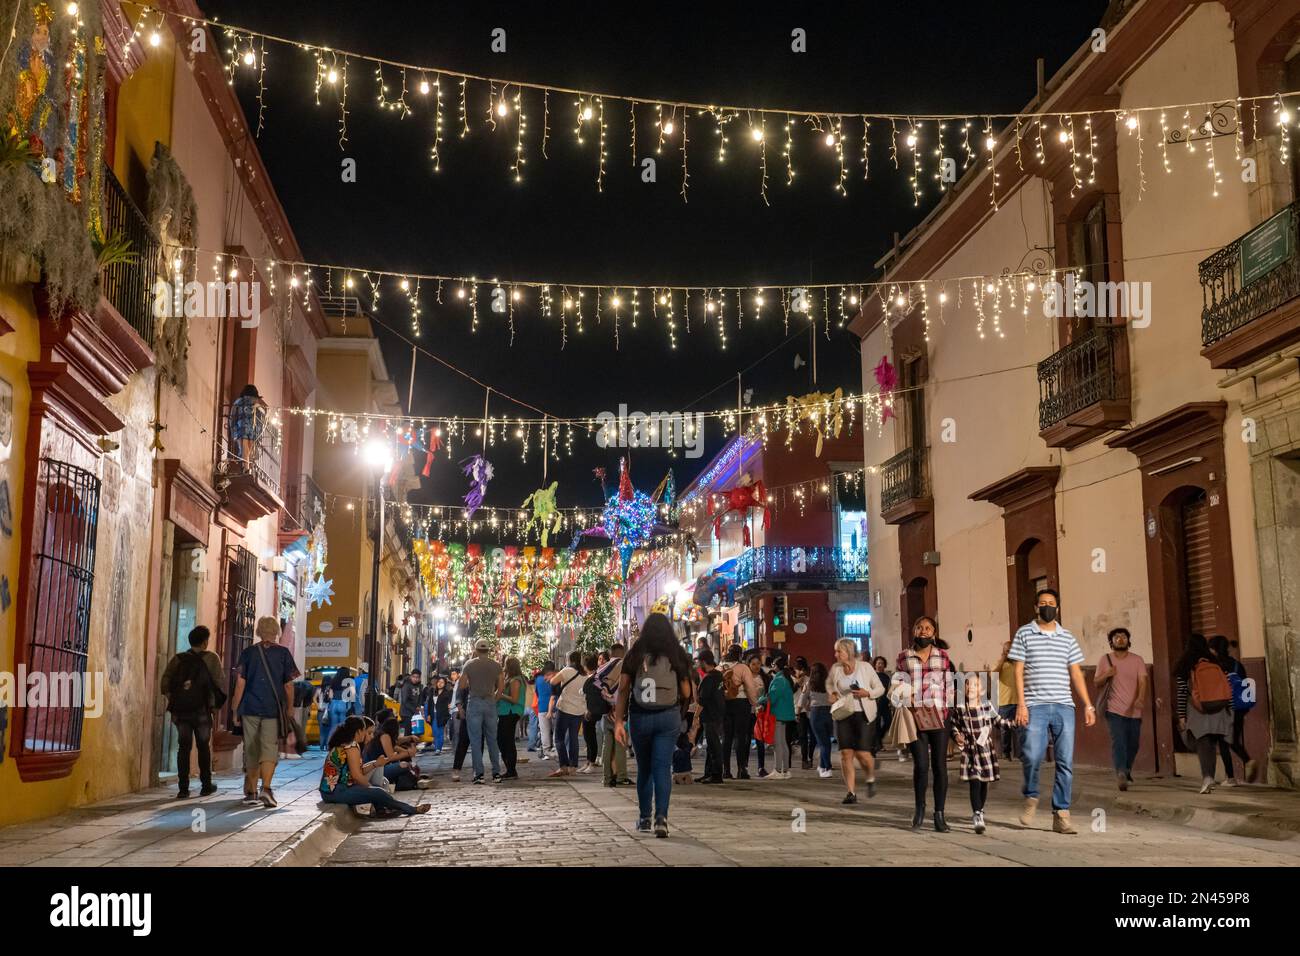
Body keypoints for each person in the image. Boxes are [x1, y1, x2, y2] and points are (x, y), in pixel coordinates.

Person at [1009, 589, 1095, 834]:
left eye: (1052, 604)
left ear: (1057, 608)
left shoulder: (1067, 637)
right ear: (1036, 607)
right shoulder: (1024, 633)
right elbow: (1018, 671)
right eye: (1043, 603)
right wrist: (1021, 704)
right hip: (1034, 705)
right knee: (1032, 756)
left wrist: (1088, 704)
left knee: (1065, 762)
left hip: (1064, 706)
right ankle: (1032, 796)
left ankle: (1061, 814)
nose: (1047, 607)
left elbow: (1076, 673)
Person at [613, 613, 696, 837]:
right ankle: (662, 818)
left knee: (645, 769)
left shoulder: (635, 654)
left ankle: (644, 818)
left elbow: (622, 689)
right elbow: (687, 692)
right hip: (668, 717)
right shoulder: (676, 654)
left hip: (640, 716)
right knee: (662, 768)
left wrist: (619, 721)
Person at [230, 617, 300, 808]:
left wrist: (235, 708)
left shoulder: (249, 653)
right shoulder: (283, 654)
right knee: (269, 748)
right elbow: (288, 684)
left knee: (251, 748)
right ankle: (266, 789)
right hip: (272, 709)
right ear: (276, 631)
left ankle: (251, 793)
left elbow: (240, 684)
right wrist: (290, 708)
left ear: (259, 631)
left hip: (250, 708)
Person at [891, 617, 954, 831]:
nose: (924, 631)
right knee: (921, 765)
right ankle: (920, 808)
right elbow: (897, 684)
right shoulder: (904, 657)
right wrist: (902, 696)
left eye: (928, 628)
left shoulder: (943, 656)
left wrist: (950, 715)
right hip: (915, 716)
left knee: (940, 766)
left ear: (934, 632)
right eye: (920, 627)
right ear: (914, 631)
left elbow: (949, 687)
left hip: (939, 716)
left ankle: (939, 814)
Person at [160, 625, 225, 798]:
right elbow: (219, 684)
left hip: (181, 712)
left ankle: (183, 788)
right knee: (203, 747)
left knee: (183, 747)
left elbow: (165, 683)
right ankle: (206, 785)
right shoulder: (212, 659)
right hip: (202, 711)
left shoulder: (178, 659)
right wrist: (214, 707)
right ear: (205, 642)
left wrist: (175, 698)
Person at [949, 673, 1019, 834]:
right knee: (975, 781)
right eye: (968, 684)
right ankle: (977, 814)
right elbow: (954, 725)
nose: (970, 687)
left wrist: (1015, 723)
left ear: (981, 691)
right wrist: (956, 735)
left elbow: (999, 722)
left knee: (983, 782)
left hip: (986, 751)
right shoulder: (960, 708)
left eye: (975, 685)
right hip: (970, 750)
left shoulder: (987, 707)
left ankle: (980, 808)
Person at [320, 717, 430, 818]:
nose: (366, 735)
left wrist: (375, 764)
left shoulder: (348, 744)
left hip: (334, 790)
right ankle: (411, 809)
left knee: (377, 792)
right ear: (358, 731)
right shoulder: (351, 747)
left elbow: (359, 770)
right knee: (378, 793)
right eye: (364, 731)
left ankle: (384, 809)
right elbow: (357, 776)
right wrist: (371, 788)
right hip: (335, 791)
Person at [1176, 633, 1234, 794]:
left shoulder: (1185, 665)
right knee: (1209, 743)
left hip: (1197, 710)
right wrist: (1230, 709)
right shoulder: (1217, 662)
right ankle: (1208, 777)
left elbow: (1182, 692)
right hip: (1219, 709)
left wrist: (1181, 715)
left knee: (1201, 743)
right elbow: (1228, 687)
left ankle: (1208, 778)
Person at [829, 638, 884, 805]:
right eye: (836, 651)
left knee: (862, 753)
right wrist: (832, 695)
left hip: (863, 714)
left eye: (839, 651)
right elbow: (832, 687)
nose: (836, 654)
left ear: (849, 652)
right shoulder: (836, 669)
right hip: (844, 714)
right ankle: (851, 792)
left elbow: (880, 688)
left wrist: (867, 693)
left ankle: (870, 777)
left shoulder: (866, 667)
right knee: (846, 753)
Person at [1094, 627, 1148, 790]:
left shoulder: (1137, 660)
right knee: (1119, 741)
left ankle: (1126, 769)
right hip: (1113, 709)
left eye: (1123, 637)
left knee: (1133, 744)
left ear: (1128, 640)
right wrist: (1107, 674)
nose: (1120, 639)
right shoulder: (1105, 659)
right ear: (1111, 642)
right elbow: (1097, 682)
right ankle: (1121, 774)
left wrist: (1140, 698)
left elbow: (1143, 681)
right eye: (1116, 637)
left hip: (1134, 710)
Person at [1208, 635, 1254, 785]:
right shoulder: (1237, 665)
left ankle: (1231, 776)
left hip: (1225, 708)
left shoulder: (1215, 666)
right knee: (1233, 739)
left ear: (1214, 649)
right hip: (1240, 708)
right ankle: (1247, 761)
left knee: (1223, 743)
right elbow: (1245, 684)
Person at [462, 639, 505, 784]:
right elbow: (501, 686)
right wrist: (495, 699)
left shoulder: (469, 664)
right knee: (493, 739)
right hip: (489, 702)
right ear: (488, 650)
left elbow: (462, 684)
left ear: (476, 649)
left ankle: (479, 774)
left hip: (474, 702)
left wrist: (471, 682)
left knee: (475, 740)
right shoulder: (496, 665)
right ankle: (496, 773)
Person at [720, 646, 761, 779]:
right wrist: (755, 704)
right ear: (739, 655)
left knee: (726, 737)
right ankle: (741, 769)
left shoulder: (720, 667)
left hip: (725, 704)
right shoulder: (743, 668)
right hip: (741, 704)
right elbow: (750, 687)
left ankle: (725, 770)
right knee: (740, 737)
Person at [595, 644, 631, 786]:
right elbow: (624, 689)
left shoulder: (603, 668)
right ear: (622, 653)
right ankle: (621, 777)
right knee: (620, 744)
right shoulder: (623, 665)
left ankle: (607, 777)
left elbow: (598, 686)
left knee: (607, 744)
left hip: (606, 710)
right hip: (619, 711)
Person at [548, 651, 589, 777]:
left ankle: (563, 766)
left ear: (569, 660)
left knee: (559, 738)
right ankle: (573, 767)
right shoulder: (584, 675)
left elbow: (553, 682)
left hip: (565, 708)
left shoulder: (566, 671)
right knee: (573, 738)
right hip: (579, 711)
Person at [365, 710, 427, 792]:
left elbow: (396, 746)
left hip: (381, 768)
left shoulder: (386, 736)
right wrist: (408, 753)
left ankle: (412, 780)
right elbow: (391, 756)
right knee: (405, 765)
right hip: (377, 770)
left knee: (410, 766)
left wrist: (408, 751)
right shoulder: (384, 736)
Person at [688, 648, 725, 783]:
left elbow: (701, 701)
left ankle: (716, 775)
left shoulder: (709, 678)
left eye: (699, 662)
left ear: (704, 662)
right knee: (711, 745)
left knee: (714, 745)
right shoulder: (718, 675)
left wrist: (695, 717)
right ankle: (708, 772)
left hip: (710, 716)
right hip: (717, 715)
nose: (698, 665)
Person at [762, 656, 797, 779]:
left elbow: (772, 697)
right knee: (783, 743)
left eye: (773, 665)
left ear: (776, 666)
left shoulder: (779, 680)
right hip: (785, 714)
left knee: (778, 744)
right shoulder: (786, 679)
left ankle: (777, 770)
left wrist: (760, 700)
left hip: (778, 714)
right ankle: (785, 770)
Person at [496, 656, 527, 779]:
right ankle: (510, 769)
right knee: (503, 740)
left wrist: (501, 695)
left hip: (510, 712)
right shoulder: (511, 679)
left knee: (506, 741)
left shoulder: (515, 680)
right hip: (505, 713)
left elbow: (514, 699)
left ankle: (511, 770)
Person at [806, 662, 835, 778]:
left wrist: (801, 711)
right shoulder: (830, 683)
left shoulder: (810, 684)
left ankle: (826, 767)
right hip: (829, 712)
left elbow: (802, 701)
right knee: (826, 741)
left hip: (815, 713)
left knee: (823, 743)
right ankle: (822, 765)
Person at [228, 383, 268, 466]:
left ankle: (245, 468)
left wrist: (233, 430)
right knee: (249, 449)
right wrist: (261, 428)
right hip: (253, 429)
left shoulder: (239, 401)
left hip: (241, 427)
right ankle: (247, 468)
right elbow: (265, 413)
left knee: (243, 448)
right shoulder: (257, 402)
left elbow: (232, 415)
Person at [994, 640, 1021, 759]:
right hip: (1005, 702)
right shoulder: (1001, 664)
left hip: (1018, 702)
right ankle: (1006, 753)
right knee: (1005, 730)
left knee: (1020, 729)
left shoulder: (1019, 664)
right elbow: (993, 674)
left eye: (1012, 650)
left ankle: (1020, 754)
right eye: (1007, 651)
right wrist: (1002, 659)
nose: (1010, 653)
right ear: (1004, 652)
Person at [579, 653, 603, 773]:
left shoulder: (595, 678)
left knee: (590, 736)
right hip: (587, 710)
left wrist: (589, 710)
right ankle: (588, 761)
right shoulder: (593, 677)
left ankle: (592, 762)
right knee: (588, 736)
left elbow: (593, 696)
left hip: (591, 711)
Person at [792, 657, 813, 769]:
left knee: (804, 736)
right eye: (798, 669)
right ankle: (788, 761)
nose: (800, 671)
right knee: (793, 736)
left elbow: (810, 695)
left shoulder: (809, 680)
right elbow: (790, 692)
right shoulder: (790, 679)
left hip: (804, 711)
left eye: (802, 669)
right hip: (792, 710)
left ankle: (806, 760)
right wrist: (797, 684)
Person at [870, 655, 893, 756]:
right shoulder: (872, 676)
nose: (880, 665)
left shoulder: (887, 677)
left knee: (889, 721)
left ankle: (878, 740)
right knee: (876, 725)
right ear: (874, 665)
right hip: (875, 704)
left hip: (885, 703)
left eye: (882, 663)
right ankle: (875, 747)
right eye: (878, 663)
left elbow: (889, 689)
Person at [534, 661, 557, 760]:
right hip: (555, 707)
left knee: (544, 731)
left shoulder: (538, 679)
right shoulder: (555, 678)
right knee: (556, 730)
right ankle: (556, 749)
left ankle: (546, 751)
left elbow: (537, 693)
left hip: (542, 707)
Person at [398, 669, 427, 737]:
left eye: (417, 677)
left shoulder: (419, 686)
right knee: (406, 733)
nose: (415, 679)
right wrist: (415, 709)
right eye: (414, 677)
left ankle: (412, 746)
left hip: (414, 714)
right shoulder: (406, 685)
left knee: (415, 732)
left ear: (419, 678)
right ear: (411, 676)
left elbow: (420, 697)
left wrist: (419, 706)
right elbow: (405, 701)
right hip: (406, 713)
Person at [429, 676, 452, 754]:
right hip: (433, 714)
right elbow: (430, 703)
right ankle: (436, 746)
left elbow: (449, 704)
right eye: (439, 682)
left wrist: (447, 714)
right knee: (434, 731)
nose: (440, 684)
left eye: (442, 682)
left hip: (442, 715)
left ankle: (438, 748)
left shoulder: (447, 693)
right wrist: (428, 714)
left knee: (440, 731)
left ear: (445, 684)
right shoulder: (433, 692)